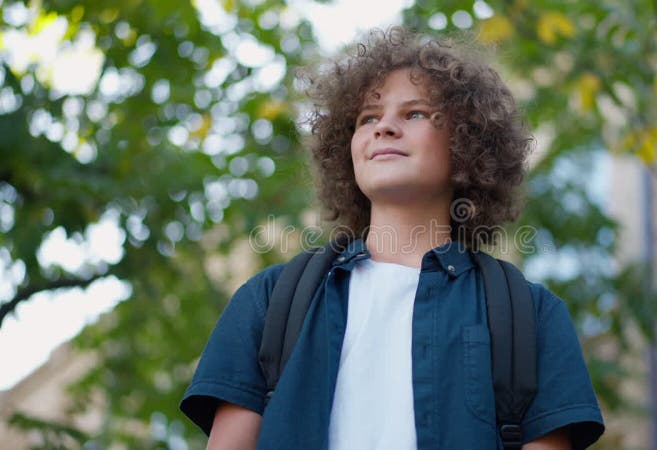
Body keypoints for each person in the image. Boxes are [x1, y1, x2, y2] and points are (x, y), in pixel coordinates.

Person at [180, 27, 604, 449]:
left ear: (466, 143)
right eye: (368, 117)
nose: (383, 127)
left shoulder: (531, 315)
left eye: (414, 113)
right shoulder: (271, 300)